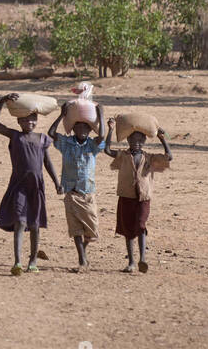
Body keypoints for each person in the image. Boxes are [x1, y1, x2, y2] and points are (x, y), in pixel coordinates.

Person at [0, 93, 60, 275]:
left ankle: (33, 261)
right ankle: (18, 262)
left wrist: (56, 182)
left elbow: (47, 163)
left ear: (37, 121)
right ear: (19, 122)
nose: (30, 123)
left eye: (33, 120)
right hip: (19, 185)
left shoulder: (42, 139)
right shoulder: (15, 136)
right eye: (26, 120)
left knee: (35, 224)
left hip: (36, 186)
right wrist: (1, 103)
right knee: (20, 222)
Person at [105, 118, 172, 273]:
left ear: (144, 142)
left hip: (143, 198)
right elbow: (107, 150)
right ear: (128, 140)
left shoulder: (149, 157)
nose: (137, 143)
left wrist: (162, 139)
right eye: (134, 140)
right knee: (128, 230)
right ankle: (131, 262)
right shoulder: (123, 156)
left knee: (141, 226)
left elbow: (169, 157)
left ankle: (142, 259)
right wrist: (110, 130)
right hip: (126, 197)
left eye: (140, 140)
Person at [48, 100, 106, 271]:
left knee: (92, 230)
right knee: (75, 229)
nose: (82, 130)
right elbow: (51, 133)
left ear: (90, 130)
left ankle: (83, 254)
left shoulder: (92, 145)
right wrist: (61, 115)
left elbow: (102, 137)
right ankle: (82, 259)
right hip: (71, 192)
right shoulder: (66, 143)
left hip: (87, 192)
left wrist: (100, 114)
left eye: (86, 128)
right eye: (78, 127)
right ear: (73, 129)